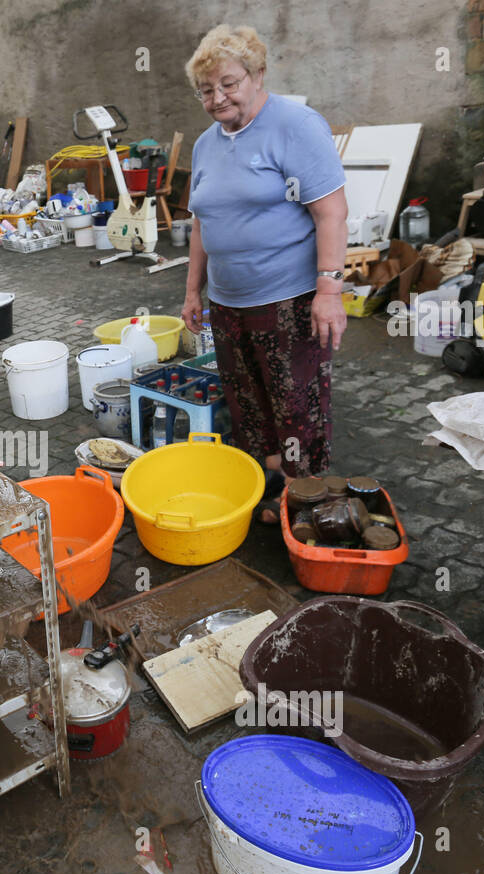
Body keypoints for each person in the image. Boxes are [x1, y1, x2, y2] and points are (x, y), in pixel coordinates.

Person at [179, 25, 348, 524]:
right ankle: (277, 487)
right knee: (248, 398)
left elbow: (332, 214)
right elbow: (200, 222)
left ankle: (308, 497)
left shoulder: (294, 126)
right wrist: (193, 290)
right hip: (229, 303)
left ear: (256, 75)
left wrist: (329, 290)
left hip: (289, 299)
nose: (217, 98)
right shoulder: (207, 144)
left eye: (228, 83)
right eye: (206, 90)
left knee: (296, 401)